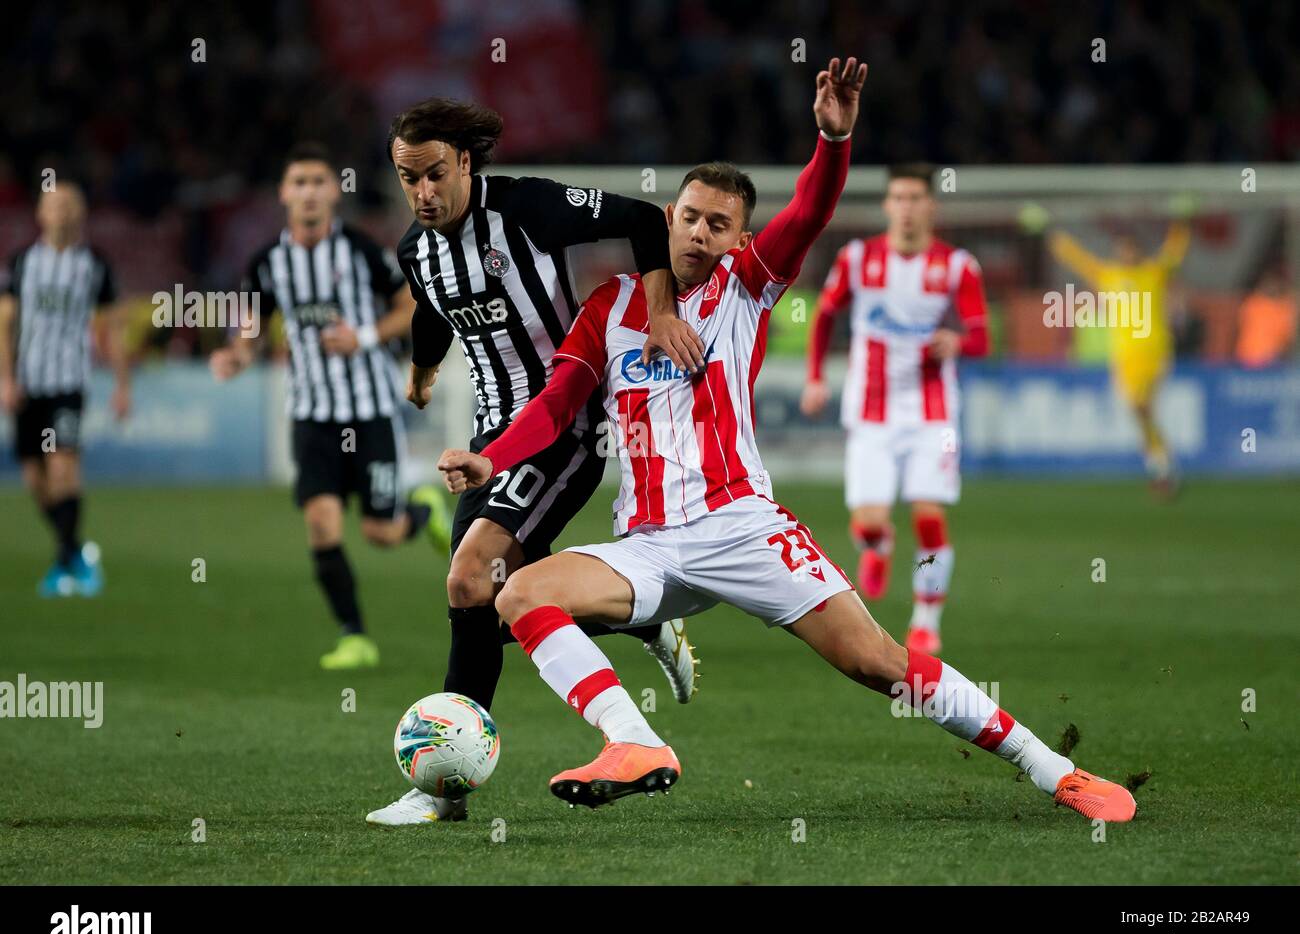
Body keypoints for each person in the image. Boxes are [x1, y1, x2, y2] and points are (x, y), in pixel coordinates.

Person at [439, 58, 1136, 823]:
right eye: (690, 216)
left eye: (719, 224)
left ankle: (1056, 770)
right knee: (520, 590)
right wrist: (491, 457)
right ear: (667, 216)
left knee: (875, 661)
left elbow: (808, 211)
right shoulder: (613, 304)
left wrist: (832, 141)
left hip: (741, 525)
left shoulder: (745, 286)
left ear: (740, 237)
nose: (700, 233)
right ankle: (634, 740)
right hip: (646, 542)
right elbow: (557, 400)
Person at [367, 98, 702, 826]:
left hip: (561, 424)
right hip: (492, 442)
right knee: (488, 604)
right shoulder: (413, 251)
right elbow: (430, 307)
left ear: (463, 162)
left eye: (433, 174)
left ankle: (439, 790)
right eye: (406, 178)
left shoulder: (528, 209)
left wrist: (662, 311)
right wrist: (423, 373)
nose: (422, 192)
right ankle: (633, 618)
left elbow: (646, 219)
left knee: (465, 577)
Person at [210, 143, 451, 670]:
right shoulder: (267, 264)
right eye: (299, 182)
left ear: (334, 192)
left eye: (319, 182)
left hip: (368, 412)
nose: (309, 192)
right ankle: (354, 636)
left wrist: (363, 335)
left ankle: (421, 509)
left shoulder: (362, 252)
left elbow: (409, 305)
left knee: (381, 533)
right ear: (284, 194)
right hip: (311, 414)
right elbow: (253, 327)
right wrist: (236, 354)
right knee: (321, 524)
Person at [801, 164, 989, 655]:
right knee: (868, 522)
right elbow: (823, 315)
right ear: (887, 205)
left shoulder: (957, 265)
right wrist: (816, 376)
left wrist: (958, 343)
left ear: (932, 206)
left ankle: (926, 619)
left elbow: (982, 338)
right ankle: (877, 544)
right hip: (870, 413)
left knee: (929, 517)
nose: (906, 208)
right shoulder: (858, 258)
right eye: (898, 198)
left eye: (915, 198)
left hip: (933, 415)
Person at [0, 182, 129, 596]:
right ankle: (75, 552)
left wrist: (122, 385)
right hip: (28, 382)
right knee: (35, 479)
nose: (62, 212)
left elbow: (111, 330)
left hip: (69, 382)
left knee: (62, 466)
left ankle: (63, 565)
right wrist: (5, 378)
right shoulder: (21, 264)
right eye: (54, 204)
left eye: (70, 204)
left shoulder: (95, 265)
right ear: (39, 213)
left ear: (82, 213)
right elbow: (4, 326)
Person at [1050, 221, 1189, 497]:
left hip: (1155, 354)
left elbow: (1174, 254)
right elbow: (1078, 259)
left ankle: (1162, 466)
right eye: (1122, 250)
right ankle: (1161, 465)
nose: (1126, 254)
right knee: (1141, 415)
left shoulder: (1152, 273)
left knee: (1142, 408)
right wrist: (1052, 234)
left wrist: (1181, 224)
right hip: (1125, 359)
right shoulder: (1108, 276)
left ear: (1138, 251)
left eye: (1130, 250)